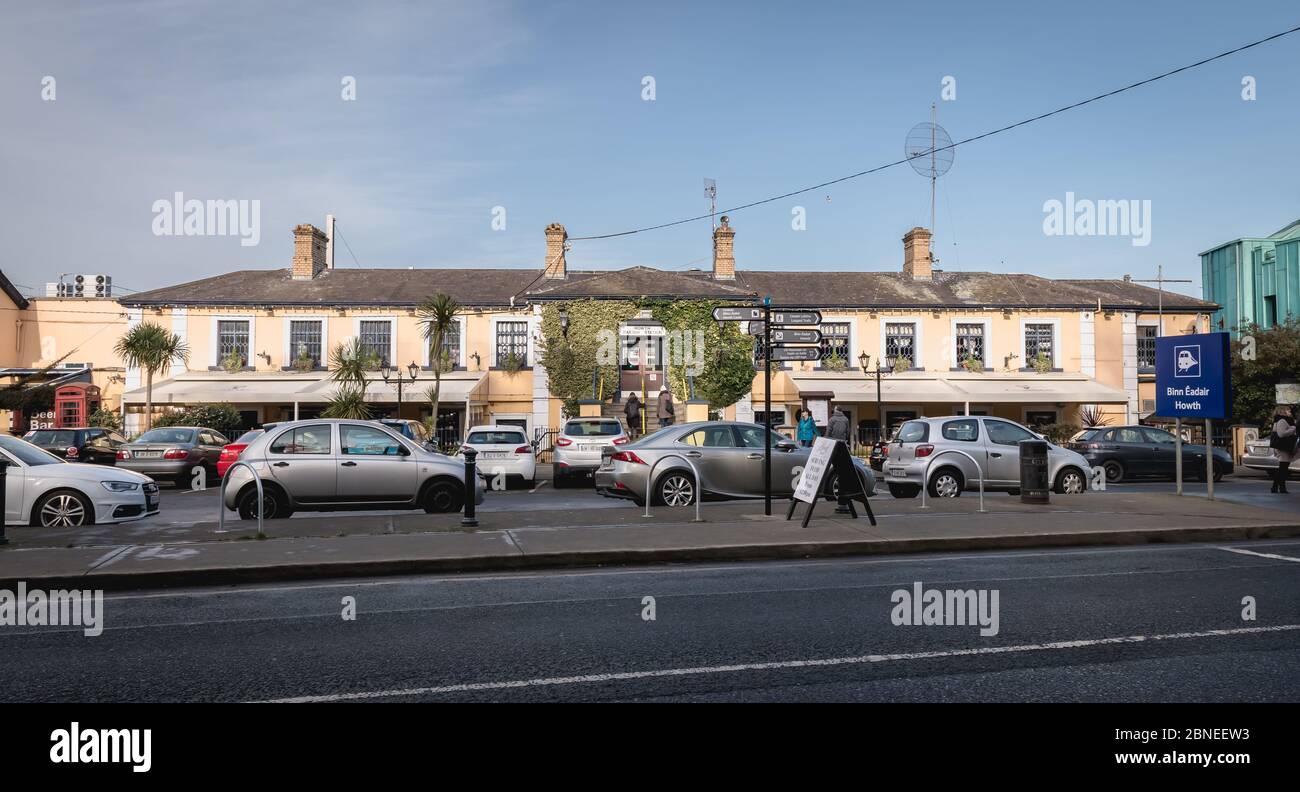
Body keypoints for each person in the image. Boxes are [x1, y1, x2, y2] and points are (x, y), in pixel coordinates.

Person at [1269, 405, 1296, 494]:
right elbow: (1281, 434)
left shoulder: (1282, 420)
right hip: (1283, 448)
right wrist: (1292, 429)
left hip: (1284, 447)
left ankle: (1276, 487)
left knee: (1283, 469)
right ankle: (1280, 487)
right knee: (1283, 469)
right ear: (1283, 411)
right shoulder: (1282, 421)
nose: (1290, 413)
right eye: (1288, 411)